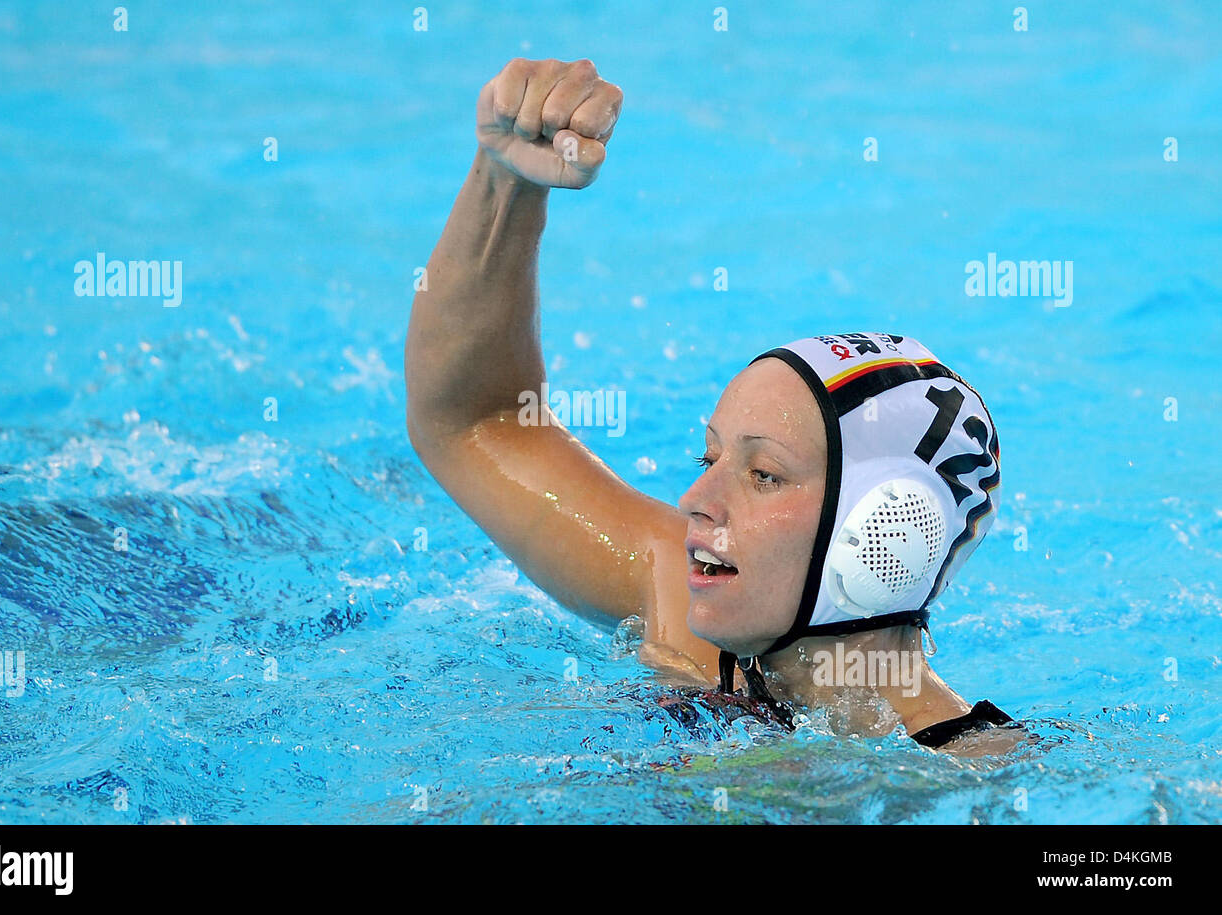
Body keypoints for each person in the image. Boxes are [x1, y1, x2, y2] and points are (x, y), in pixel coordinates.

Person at [405, 58, 1025, 755]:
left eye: (764, 475)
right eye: (710, 456)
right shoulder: (682, 608)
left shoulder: (976, 770)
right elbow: (474, 421)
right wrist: (505, 183)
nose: (696, 498)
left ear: (885, 536)